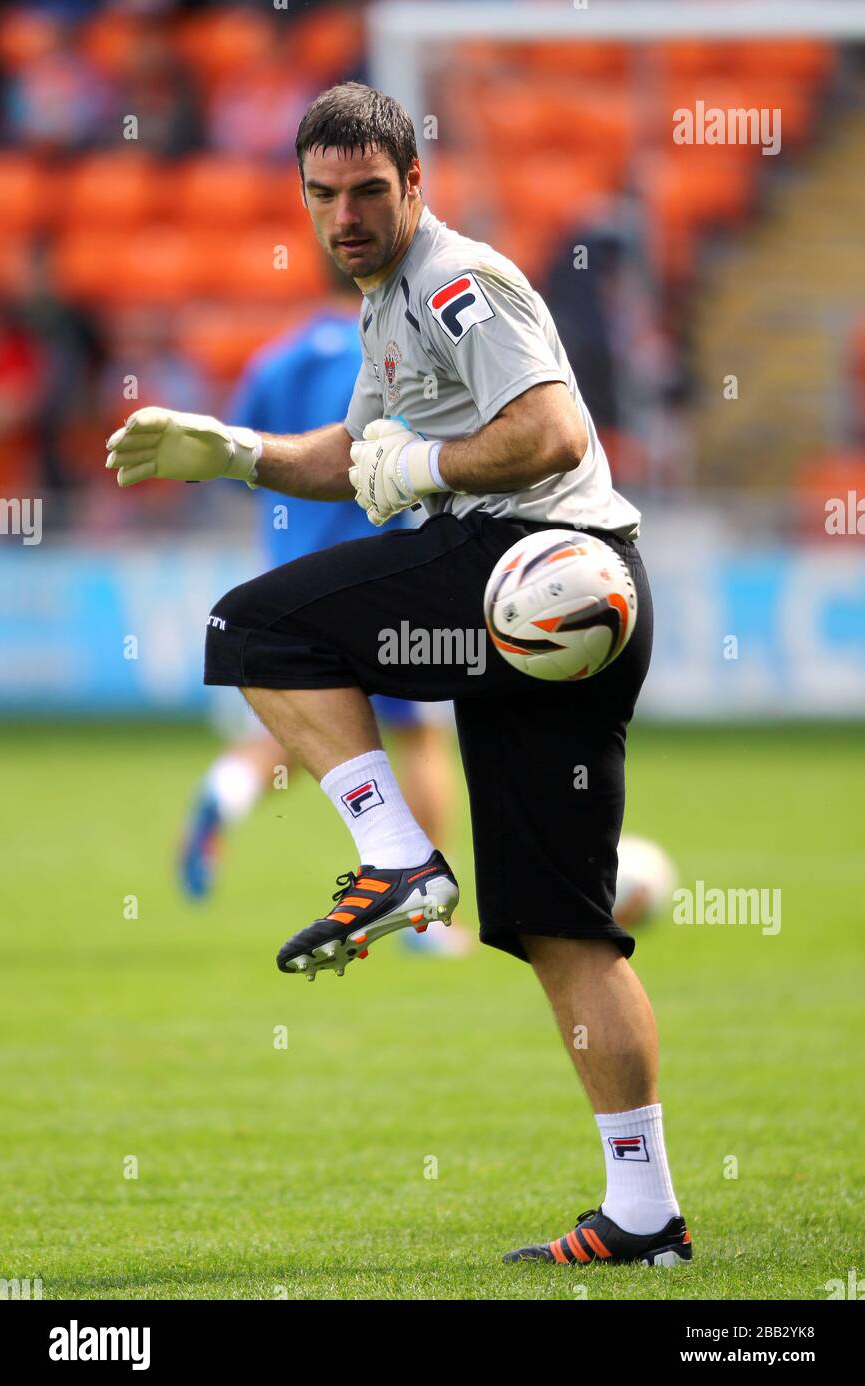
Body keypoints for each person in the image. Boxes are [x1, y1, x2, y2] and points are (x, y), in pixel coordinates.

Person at [105, 82, 690, 1269]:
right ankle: (645, 1214)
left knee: (256, 631)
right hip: (568, 602)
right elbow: (356, 452)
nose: (345, 216)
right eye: (322, 197)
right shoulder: (384, 305)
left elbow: (548, 434)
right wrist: (240, 454)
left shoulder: (451, 279)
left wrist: (417, 466)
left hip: (533, 562)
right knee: (562, 930)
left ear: (414, 184)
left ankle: (396, 856)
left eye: (368, 191)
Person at [180, 286, 469, 957]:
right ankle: (424, 924)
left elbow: (236, 459)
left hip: (292, 587)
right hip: (377, 576)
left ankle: (223, 793)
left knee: (309, 734)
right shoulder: (392, 356)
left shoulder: (275, 360)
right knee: (419, 736)